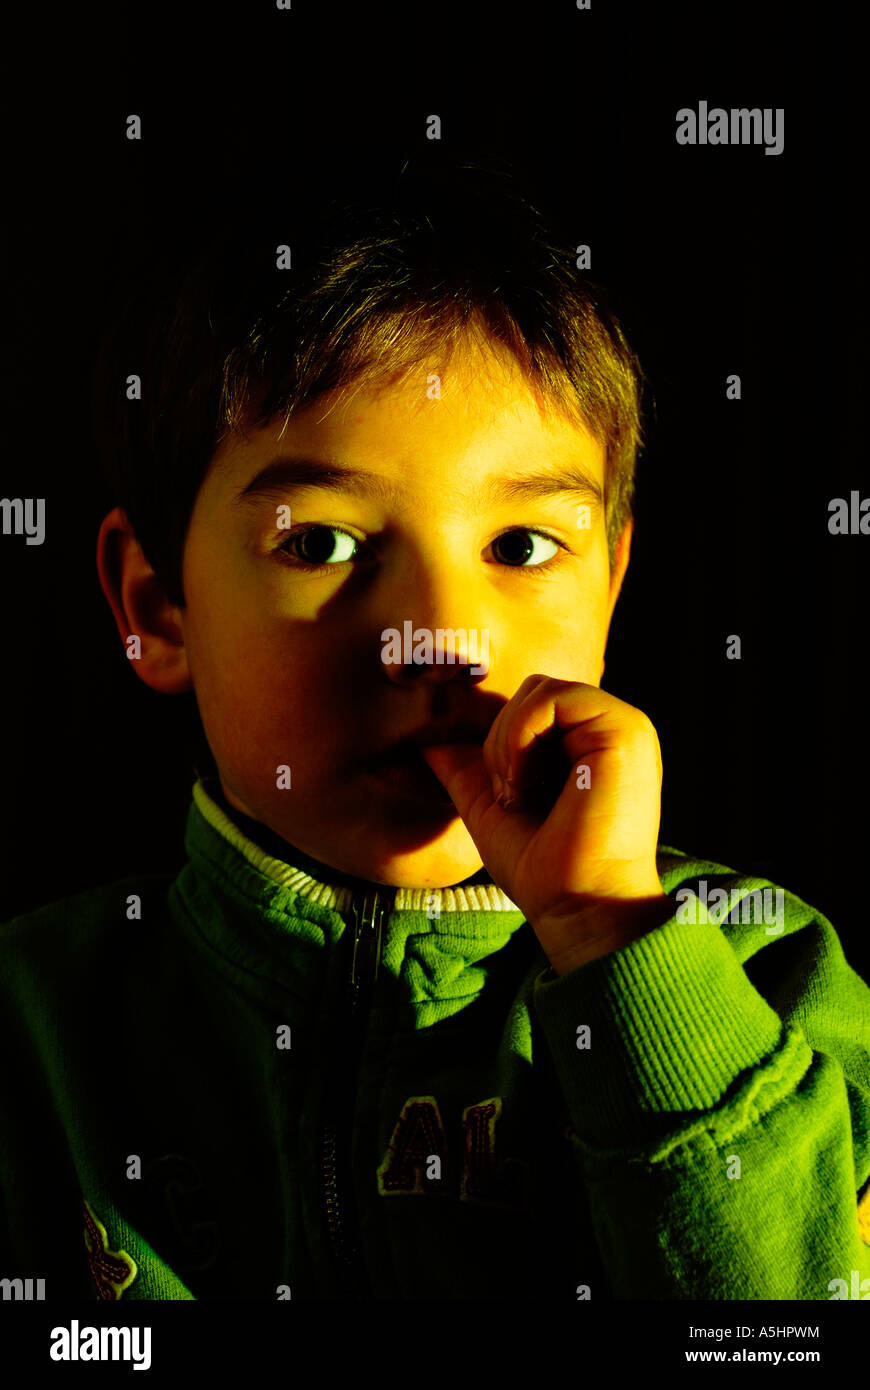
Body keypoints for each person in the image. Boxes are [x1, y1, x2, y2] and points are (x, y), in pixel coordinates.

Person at [2, 154, 869, 1301]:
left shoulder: (769, 978)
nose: (441, 640)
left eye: (521, 547)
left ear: (608, 589)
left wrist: (617, 941)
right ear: (156, 607)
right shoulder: (35, 1027)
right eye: (321, 543)